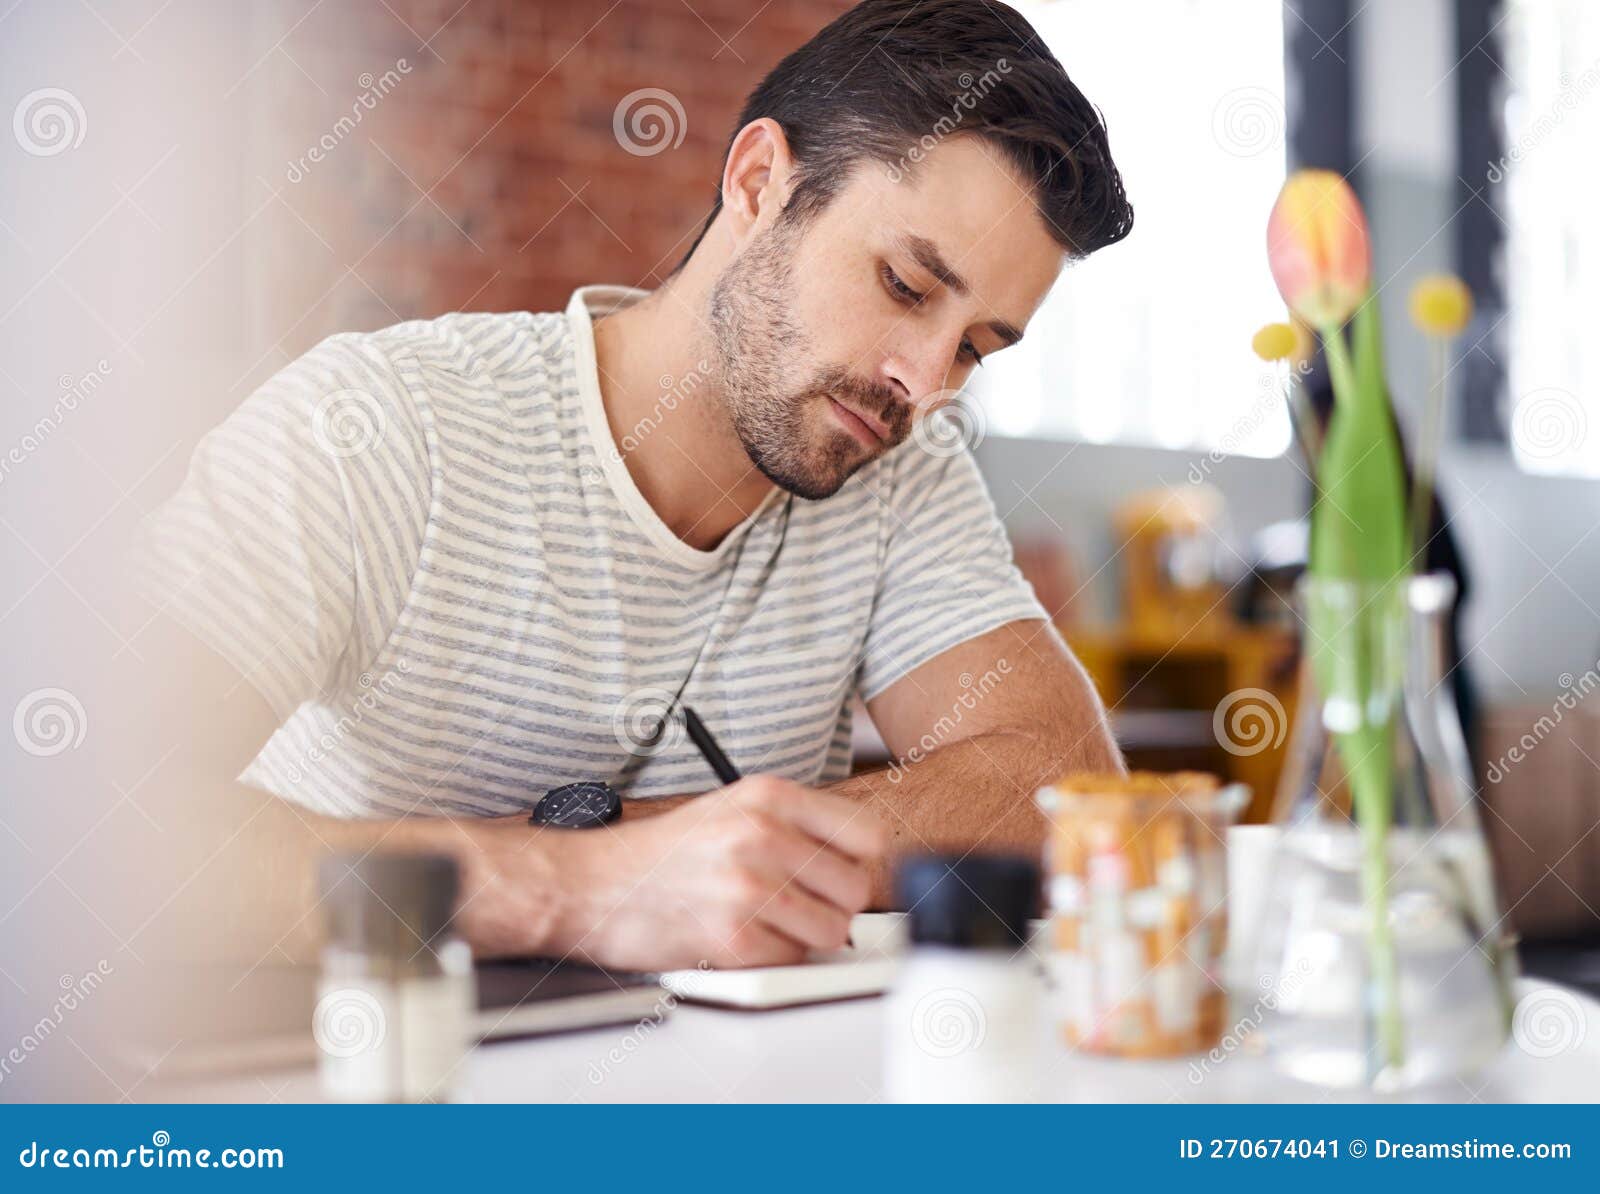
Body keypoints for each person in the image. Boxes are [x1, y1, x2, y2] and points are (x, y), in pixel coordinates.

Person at [121, 0, 1131, 973]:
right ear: (758, 182)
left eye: (976, 349)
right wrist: (576, 884)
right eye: (904, 286)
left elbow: (1062, 791)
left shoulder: (899, 472)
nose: (925, 380)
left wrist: (675, 853)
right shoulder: (375, 427)